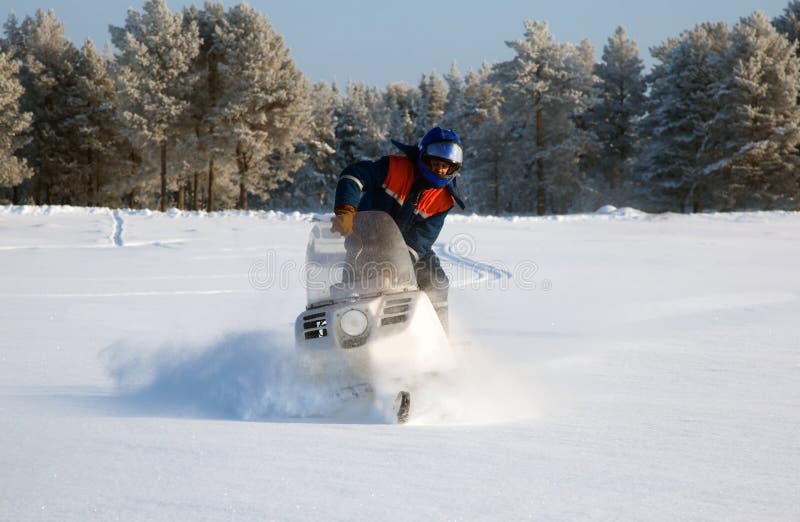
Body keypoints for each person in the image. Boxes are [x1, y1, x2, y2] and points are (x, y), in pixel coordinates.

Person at [331, 127, 465, 332]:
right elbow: (354, 175)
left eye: (445, 166)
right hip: (365, 241)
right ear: (424, 157)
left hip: (408, 247)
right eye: (436, 163)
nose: (440, 170)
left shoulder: (445, 199)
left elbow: (422, 238)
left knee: (437, 283)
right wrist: (346, 209)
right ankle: (346, 340)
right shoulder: (393, 168)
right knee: (353, 293)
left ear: (453, 168)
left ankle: (439, 337)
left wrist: (397, 265)